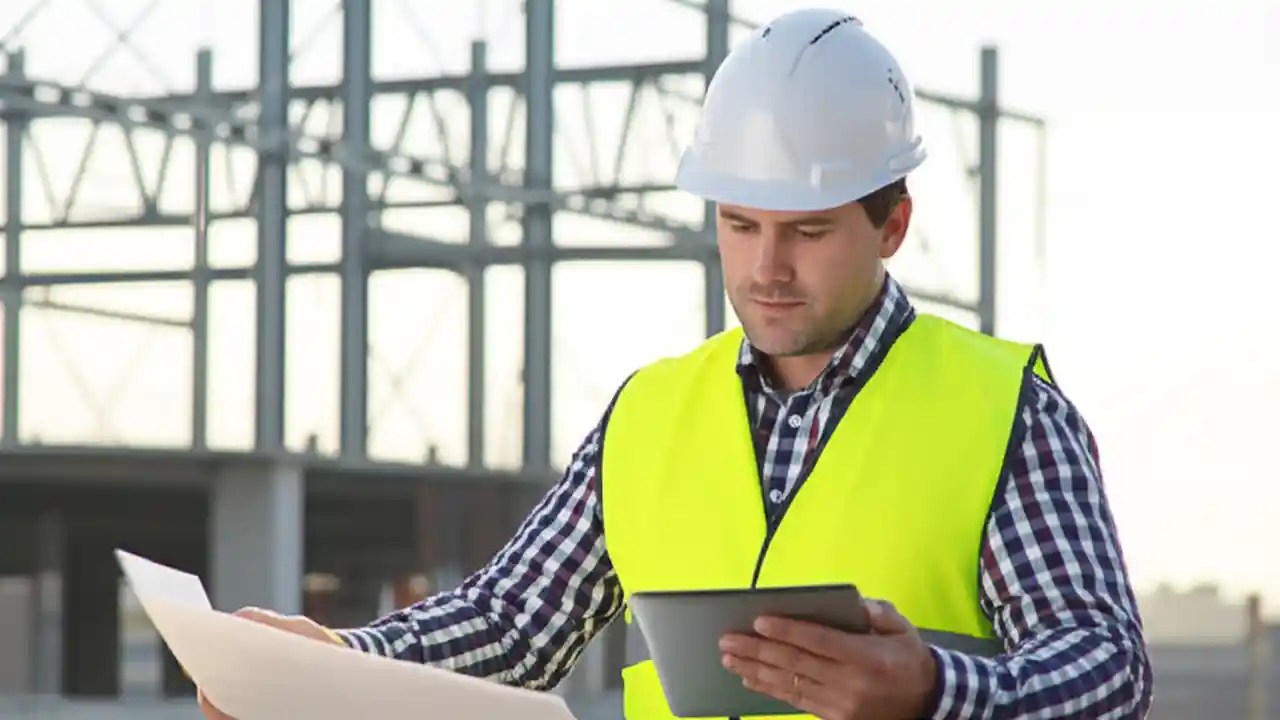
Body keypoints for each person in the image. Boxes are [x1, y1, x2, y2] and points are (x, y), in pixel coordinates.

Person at [201, 8, 1153, 719]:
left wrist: (939, 690)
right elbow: (512, 626)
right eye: (739, 225)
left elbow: (1109, 672)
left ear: (892, 224)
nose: (765, 268)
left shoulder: (1002, 410)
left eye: (808, 232)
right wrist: (330, 659)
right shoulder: (651, 411)